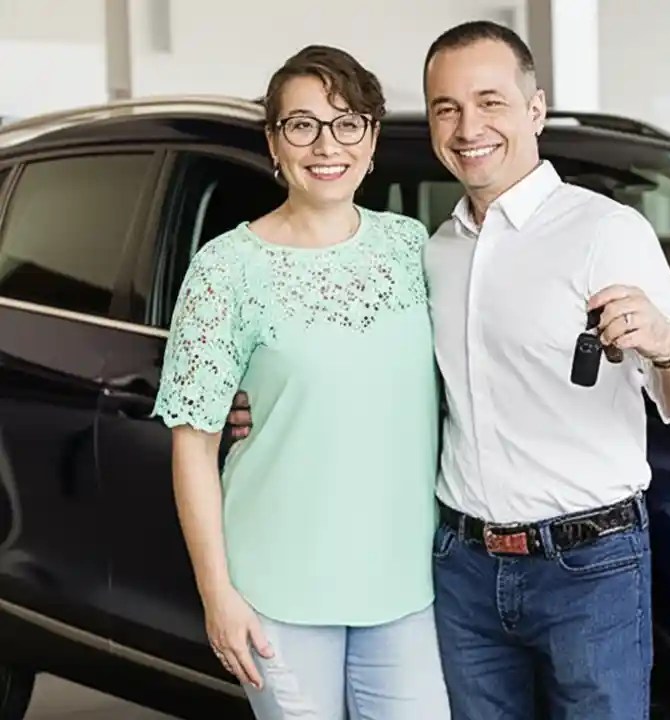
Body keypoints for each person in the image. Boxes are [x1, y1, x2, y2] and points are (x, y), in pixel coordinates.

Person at [230, 20, 670, 720]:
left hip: (587, 569)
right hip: (460, 568)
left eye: (490, 101)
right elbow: (355, 355)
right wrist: (257, 396)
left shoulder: (605, 232)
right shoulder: (430, 252)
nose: (469, 127)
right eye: (447, 108)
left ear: (535, 109)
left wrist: (669, 345)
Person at [152, 44, 450, 719]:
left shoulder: (411, 247)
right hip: (276, 591)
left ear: (372, 141)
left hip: (407, 586)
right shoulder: (226, 268)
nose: (327, 144)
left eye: (348, 123)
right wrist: (218, 596)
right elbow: (193, 446)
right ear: (274, 142)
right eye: (303, 124)